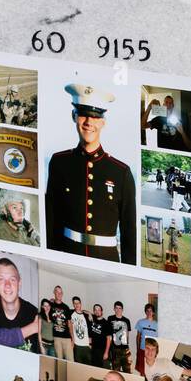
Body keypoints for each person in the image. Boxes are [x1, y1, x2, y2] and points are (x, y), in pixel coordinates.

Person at [45, 83, 137, 264]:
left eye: (95, 117)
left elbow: (129, 235)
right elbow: (51, 220)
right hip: (66, 254)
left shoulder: (121, 172)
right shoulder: (59, 162)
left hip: (106, 259)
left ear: (103, 122)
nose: (88, 122)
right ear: (74, 116)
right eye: (83, 115)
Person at [0, 259, 41, 351]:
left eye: (12, 279)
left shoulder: (34, 315)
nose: (7, 285)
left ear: (19, 283)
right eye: (1, 279)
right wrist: (31, 329)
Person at [48, 285, 73, 361]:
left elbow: (69, 323)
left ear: (62, 294)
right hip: (56, 337)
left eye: (60, 292)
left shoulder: (66, 307)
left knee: (71, 361)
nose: (59, 294)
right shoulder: (50, 305)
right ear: (54, 293)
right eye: (57, 292)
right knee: (59, 360)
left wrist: (73, 338)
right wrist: (49, 302)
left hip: (67, 337)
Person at [107, 301, 132, 372]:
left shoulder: (126, 320)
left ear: (122, 309)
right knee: (116, 370)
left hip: (124, 349)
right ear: (114, 309)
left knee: (127, 369)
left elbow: (127, 335)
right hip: (114, 349)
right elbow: (109, 334)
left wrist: (127, 347)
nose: (118, 310)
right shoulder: (110, 318)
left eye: (120, 308)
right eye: (116, 308)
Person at [70, 296, 93, 364]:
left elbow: (90, 330)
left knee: (88, 365)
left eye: (78, 303)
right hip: (77, 345)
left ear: (81, 303)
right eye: (75, 303)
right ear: (73, 304)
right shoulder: (71, 314)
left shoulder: (86, 315)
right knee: (79, 365)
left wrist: (90, 343)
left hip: (86, 345)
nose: (77, 305)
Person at [135, 303, 158, 367]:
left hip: (152, 351)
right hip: (142, 349)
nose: (149, 312)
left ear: (153, 312)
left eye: (150, 310)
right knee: (142, 369)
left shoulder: (157, 325)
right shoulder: (140, 322)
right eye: (147, 311)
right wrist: (138, 349)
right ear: (145, 312)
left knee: (151, 369)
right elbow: (138, 337)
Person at [88, 304, 110, 368]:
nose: (97, 311)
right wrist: (89, 313)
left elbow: (108, 339)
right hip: (93, 349)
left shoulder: (106, 323)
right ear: (94, 311)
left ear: (102, 311)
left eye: (99, 310)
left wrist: (106, 352)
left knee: (101, 369)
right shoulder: (92, 320)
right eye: (95, 310)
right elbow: (83, 311)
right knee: (94, 368)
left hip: (102, 350)